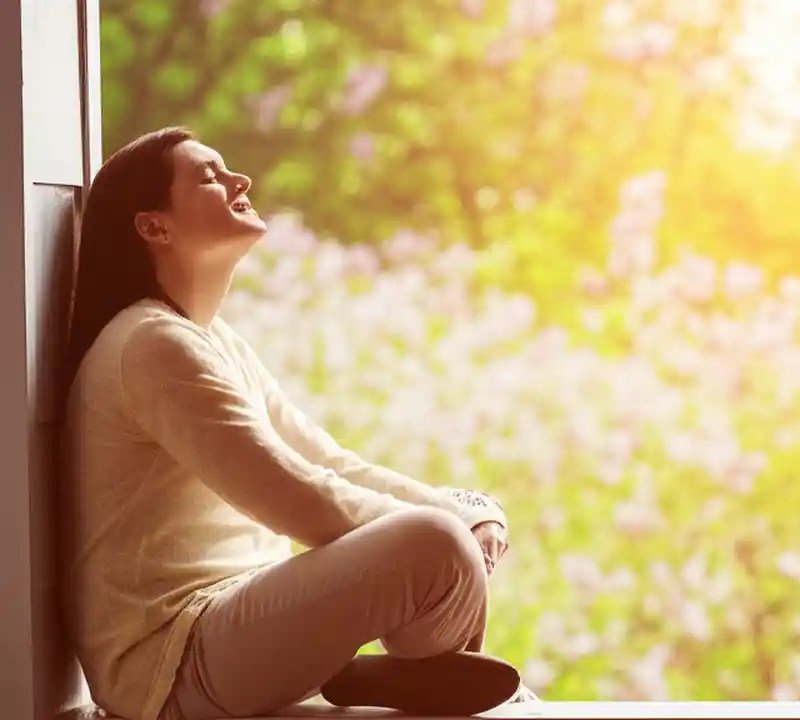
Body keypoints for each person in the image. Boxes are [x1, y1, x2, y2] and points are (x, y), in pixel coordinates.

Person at [57, 127, 534, 720]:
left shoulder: (207, 338)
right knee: (437, 546)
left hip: (243, 624)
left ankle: (371, 673)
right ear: (155, 227)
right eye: (209, 176)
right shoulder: (150, 345)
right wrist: (453, 528)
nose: (240, 180)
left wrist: (468, 510)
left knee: (445, 539)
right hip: (170, 664)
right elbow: (298, 498)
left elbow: (326, 461)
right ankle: (387, 674)